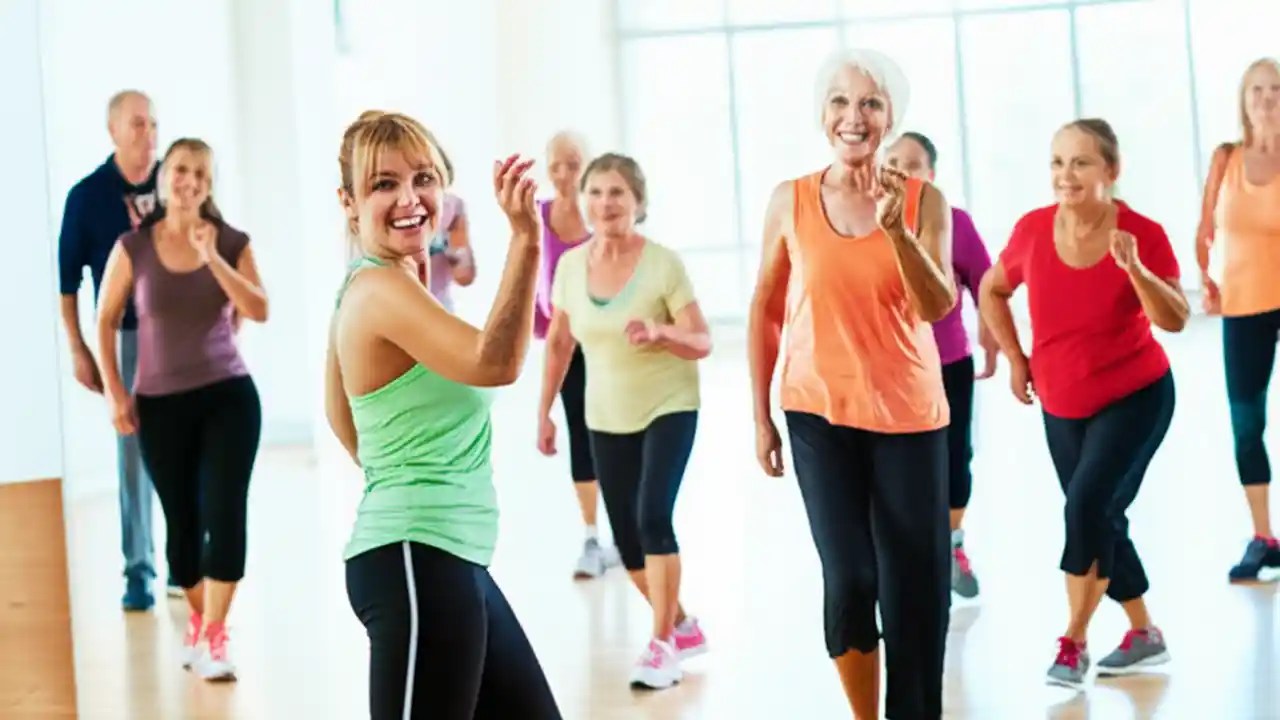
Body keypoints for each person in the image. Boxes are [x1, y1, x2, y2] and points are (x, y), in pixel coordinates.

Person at [326, 110, 562, 719]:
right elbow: (494, 361)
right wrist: (527, 239)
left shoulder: (380, 282)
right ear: (349, 202)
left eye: (423, 178)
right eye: (383, 184)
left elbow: (338, 410)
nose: (409, 198)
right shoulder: (379, 289)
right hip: (416, 557)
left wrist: (400, 466)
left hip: (449, 556)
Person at [747, 48, 957, 719]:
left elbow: (936, 305)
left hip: (909, 417)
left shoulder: (924, 202)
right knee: (850, 578)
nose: (853, 117)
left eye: (870, 103)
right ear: (822, 112)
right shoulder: (790, 200)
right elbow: (765, 309)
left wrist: (897, 231)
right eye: (839, 101)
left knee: (915, 592)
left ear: (892, 116)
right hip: (817, 412)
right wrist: (760, 416)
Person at [979, 119, 1189, 686]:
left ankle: (1073, 642)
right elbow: (992, 289)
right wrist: (1016, 357)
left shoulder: (1142, 233)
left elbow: (1175, 319)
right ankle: (1145, 633)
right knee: (1100, 515)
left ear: (1111, 171)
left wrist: (1135, 269)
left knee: (1084, 508)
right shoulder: (1032, 230)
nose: (1065, 175)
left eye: (1080, 162)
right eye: (1057, 162)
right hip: (1061, 404)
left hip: (1135, 397)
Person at [537, 152, 710, 690]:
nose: (605, 202)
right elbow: (559, 342)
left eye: (617, 192)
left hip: (669, 405)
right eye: (596, 192)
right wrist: (543, 411)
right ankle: (682, 624)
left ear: (638, 201)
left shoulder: (663, 264)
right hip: (605, 415)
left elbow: (702, 339)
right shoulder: (570, 267)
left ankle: (660, 645)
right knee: (629, 543)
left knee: (654, 516)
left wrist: (662, 334)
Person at [97, 138, 268, 682]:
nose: (188, 180)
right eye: (179, 169)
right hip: (160, 406)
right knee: (183, 528)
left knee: (226, 512)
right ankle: (201, 625)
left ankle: (214, 636)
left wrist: (212, 257)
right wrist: (115, 393)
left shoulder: (232, 241)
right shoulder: (133, 247)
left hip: (228, 398)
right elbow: (105, 318)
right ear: (163, 177)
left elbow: (259, 307)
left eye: (199, 173)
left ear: (209, 185)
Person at [56, 89, 181, 609]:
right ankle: (139, 572)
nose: (148, 134)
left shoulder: (176, 184)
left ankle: (184, 565)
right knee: (133, 455)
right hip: (125, 337)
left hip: (182, 334)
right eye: (137, 124)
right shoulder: (87, 197)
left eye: (153, 123)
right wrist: (79, 349)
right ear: (113, 131)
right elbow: (67, 284)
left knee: (186, 449)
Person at [885, 130, 998, 600]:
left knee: (954, 457)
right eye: (893, 162)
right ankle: (909, 555)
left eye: (912, 164)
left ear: (930, 175)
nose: (901, 171)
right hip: (891, 368)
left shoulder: (955, 221)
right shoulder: (867, 224)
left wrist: (992, 340)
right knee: (901, 465)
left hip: (948, 361)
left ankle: (952, 545)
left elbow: (985, 282)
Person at [1197, 57, 1280, 582]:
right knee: (1247, 426)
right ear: (1243, 100)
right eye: (1257, 90)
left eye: (1275, 90)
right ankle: (1263, 537)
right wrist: (1206, 281)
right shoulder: (1225, 158)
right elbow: (1204, 230)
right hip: (1245, 306)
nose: (1266, 99)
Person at [533, 130, 621, 579]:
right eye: (555, 165)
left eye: (573, 164)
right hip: (563, 342)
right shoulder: (538, 215)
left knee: (616, 434)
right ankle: (591, 536)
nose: (564, 174)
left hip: (606, 341)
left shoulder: (601, 215)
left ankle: (624, 532)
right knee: (580, 434)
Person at [420, 146, 476, 312]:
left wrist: (451, 248)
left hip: (440, 309)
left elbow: (464, 276)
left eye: (425, 178)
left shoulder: (452, 206)